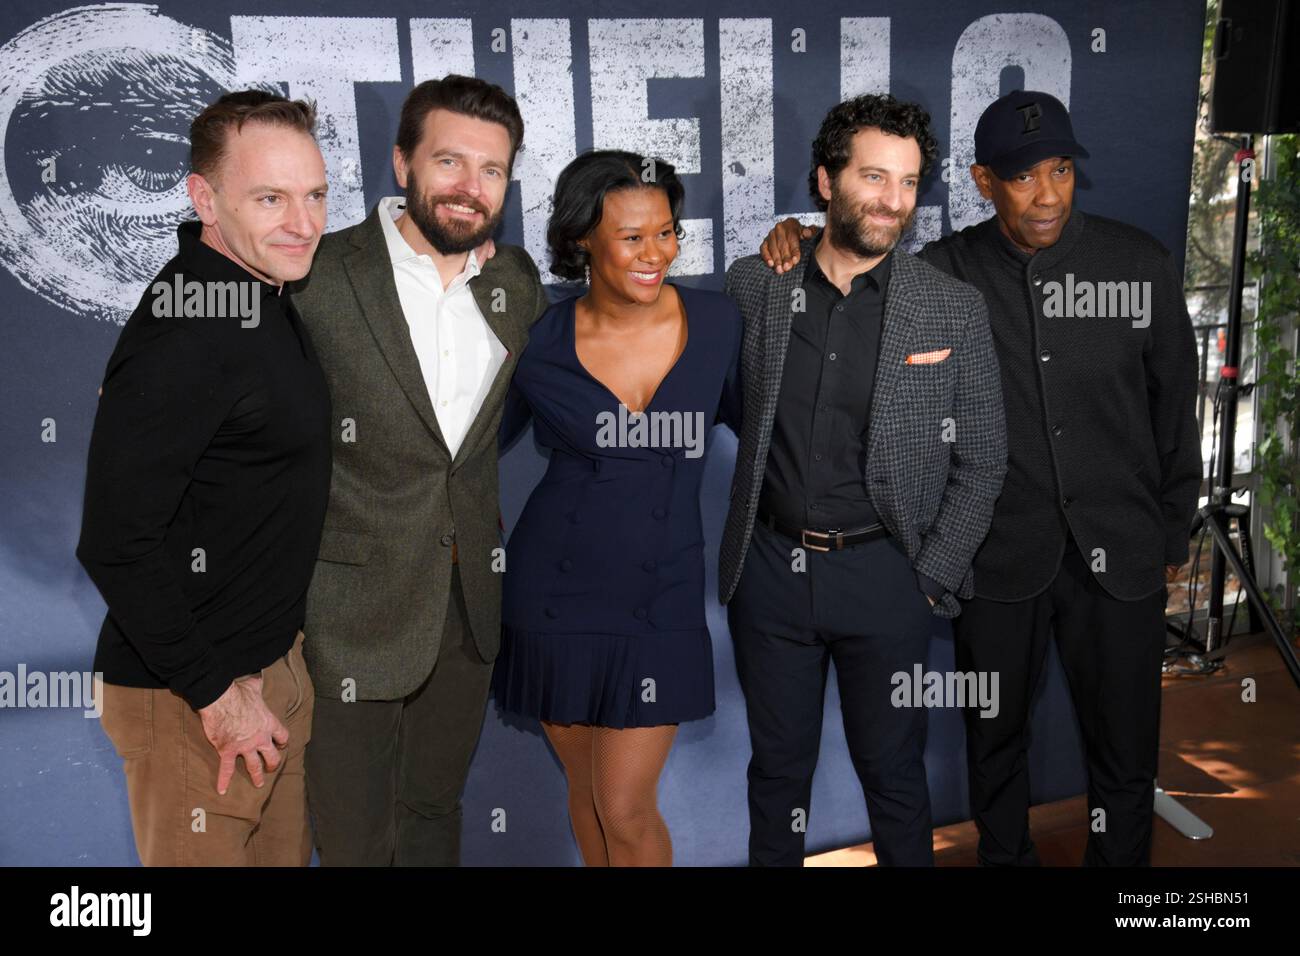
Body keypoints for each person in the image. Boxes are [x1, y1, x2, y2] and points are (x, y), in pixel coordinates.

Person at [760, 90, 1202, 866]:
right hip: (997, 559)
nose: (1048, 194)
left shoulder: (1139, 265)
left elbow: (1175, 410)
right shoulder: (940, 274)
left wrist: (1172, 527)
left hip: (1122, 555)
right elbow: (852, 256)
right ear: (981, 180)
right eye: (1024, 176)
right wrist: (797, 233)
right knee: (995, 748)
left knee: (1127, 756)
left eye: (1061, 171)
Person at [721, 93, 1007, 866]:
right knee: (778, 776)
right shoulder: (755, 287)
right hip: (773, 574)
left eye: (909, 184)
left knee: (894, 776)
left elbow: (982, 461)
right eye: (874, 178)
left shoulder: (952, 310)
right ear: (825, 182)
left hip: (889, 575)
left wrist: (926, 579)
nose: (894, 202)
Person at [291, 75, 547, 866]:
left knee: (434, 812)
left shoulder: (516, 284)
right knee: (353, 837)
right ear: (403, 163)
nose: (471, 189)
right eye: (449, 162)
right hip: (346, 609)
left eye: (492, 170)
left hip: (468, 606)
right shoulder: (317, 276)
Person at [77, 91, 332, 866]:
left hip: (270, 676)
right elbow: (116, 544)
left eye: (315, 194)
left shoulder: (260, 289)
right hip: (196, 703)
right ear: (204, 198)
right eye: (270, 198)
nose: (303, 221)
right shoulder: (188, 327)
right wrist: (219, 698)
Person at [494, 149, 743, 866]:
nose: (655, 252)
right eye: (632, 237)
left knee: (628, 808)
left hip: (661, 596)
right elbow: (466, 453)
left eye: (666, 232)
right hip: (554, 595)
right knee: (588, 795)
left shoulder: (720, 324)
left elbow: (763, 434)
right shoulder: (539, 343)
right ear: (582, 240)